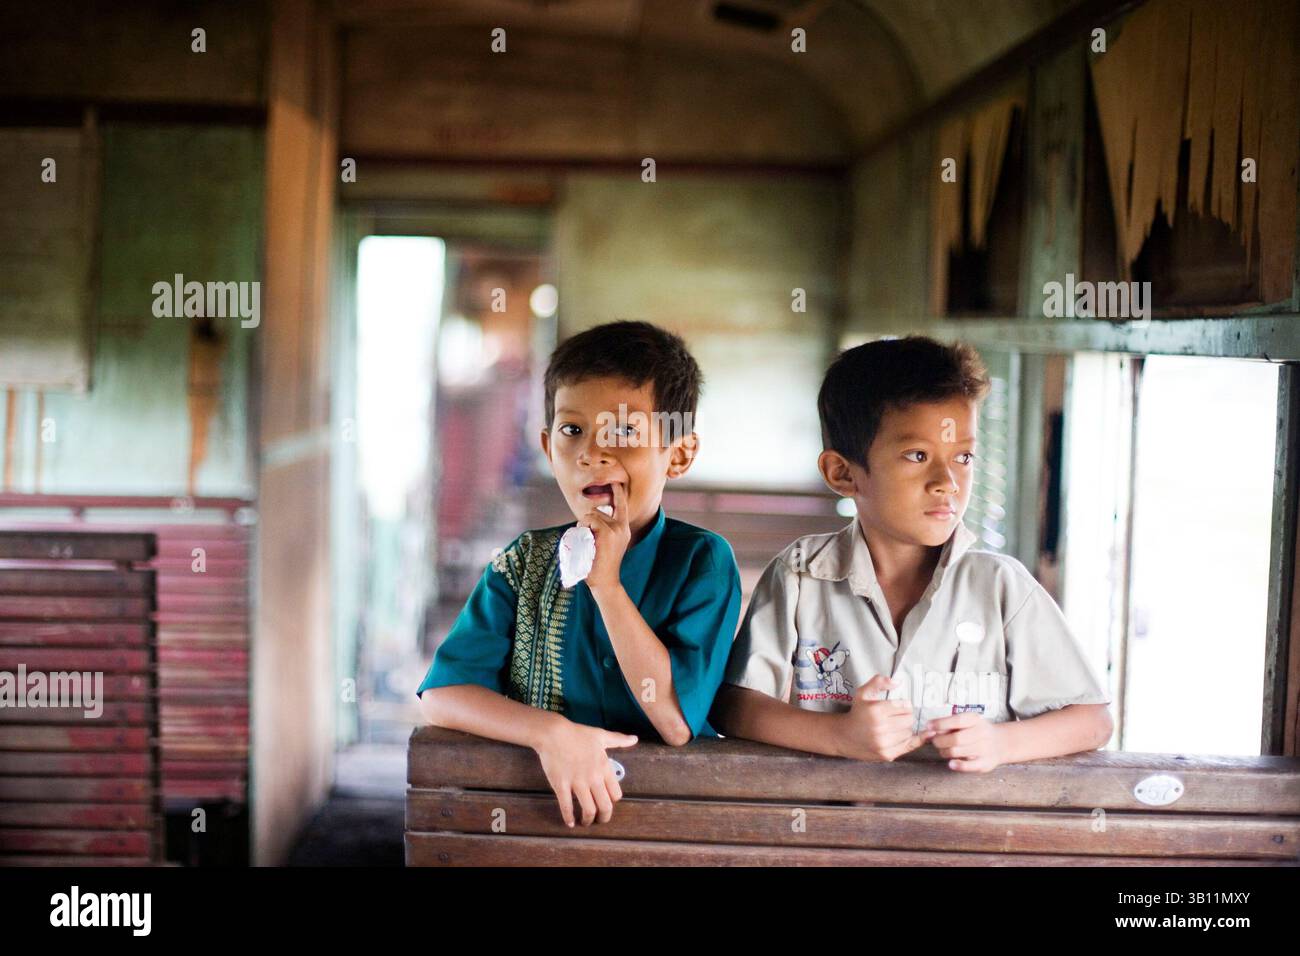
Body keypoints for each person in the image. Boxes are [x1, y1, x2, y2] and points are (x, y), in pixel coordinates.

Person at [712, 336, 1112, 772]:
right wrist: (840, 736)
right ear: (843, 473)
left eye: (963, 456)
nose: (947, 481)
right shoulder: (801, 575)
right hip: (832, 829)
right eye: (917, 455)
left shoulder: (1000, 588)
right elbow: (734, 705)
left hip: (965, 834)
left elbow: (1092, 721)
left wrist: (1001, 744)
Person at [417, 321, 742, 824]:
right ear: (549, 449)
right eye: (573, 431)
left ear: (678, 455)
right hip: (534, 823)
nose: (591, 453)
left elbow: (675, 719)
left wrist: (606, 585)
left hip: (667, 829)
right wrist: (551, 733)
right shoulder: (524, 563)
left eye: (625, 431)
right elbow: (443, 695)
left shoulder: (701, 563)